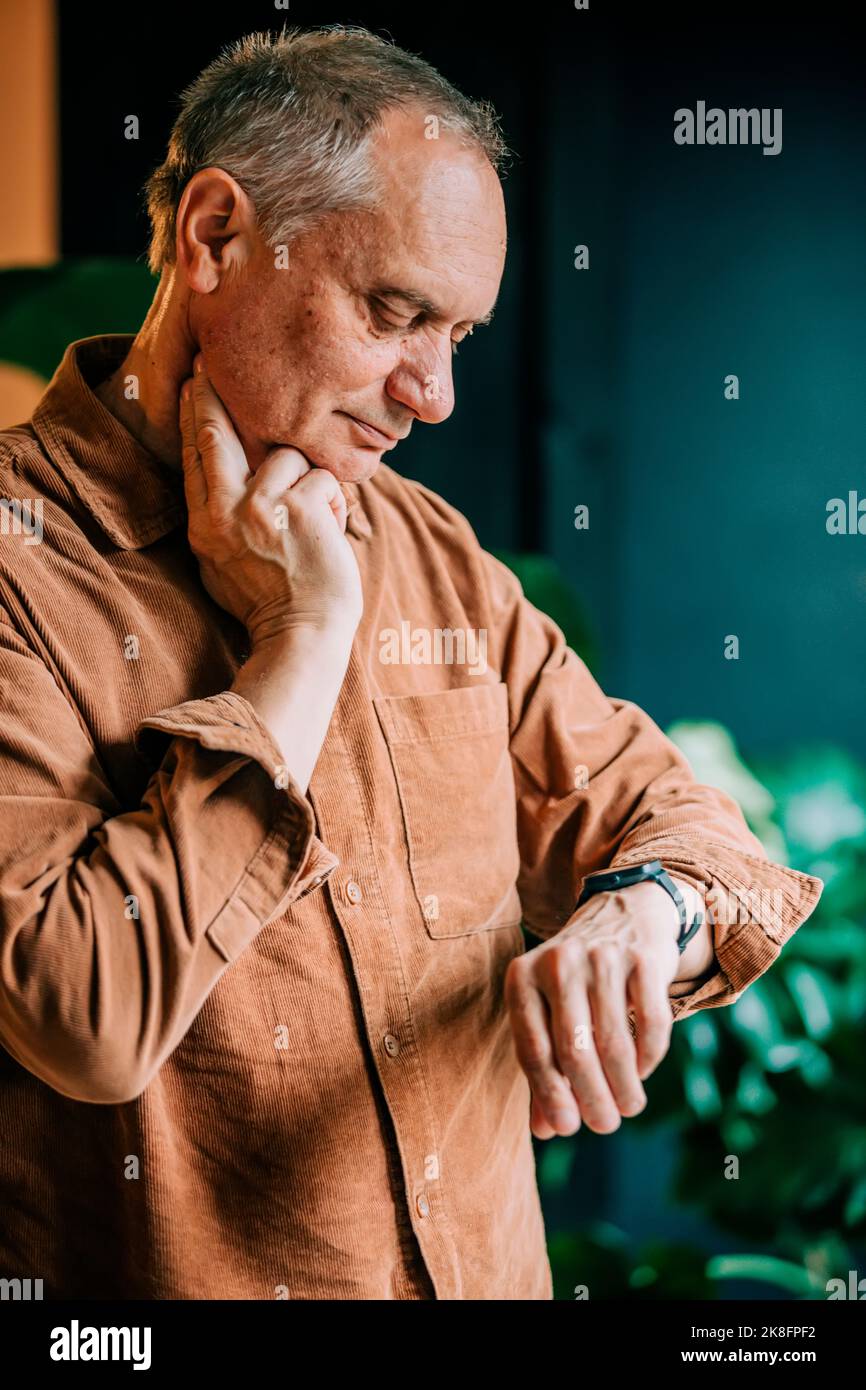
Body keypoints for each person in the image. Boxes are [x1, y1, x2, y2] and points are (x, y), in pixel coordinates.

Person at [0, 25, 822, 1300]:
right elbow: (85, 1015)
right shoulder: (15, 567)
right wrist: (302, 643)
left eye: (460, 334)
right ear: (215, 238)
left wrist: (638, 913)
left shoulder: (424, 544)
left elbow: (688, 823)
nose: (431, 394)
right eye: (395, 313)